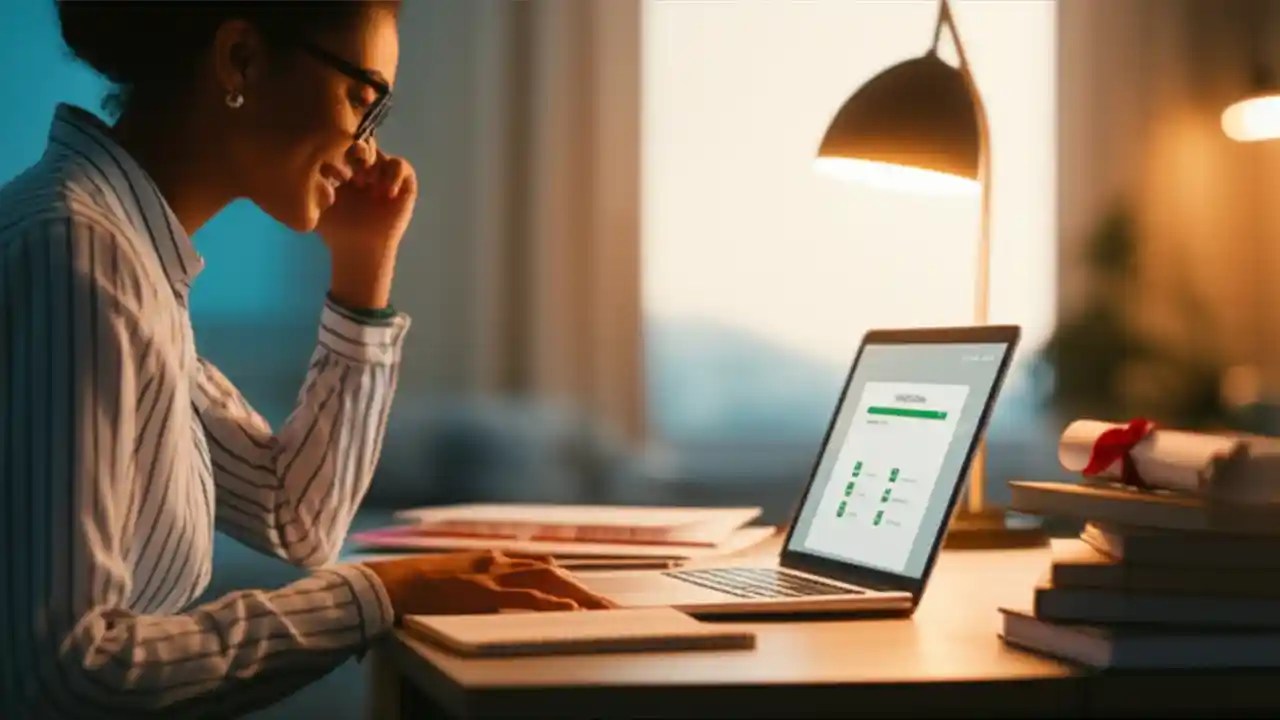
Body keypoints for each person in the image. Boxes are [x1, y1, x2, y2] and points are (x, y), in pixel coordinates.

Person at [0, 2, 610, 717]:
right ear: (241, 61)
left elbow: (299, 516)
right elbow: (70, 672)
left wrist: (362, 270)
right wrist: (380, 593)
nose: (367, 150)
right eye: (362, 100)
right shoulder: (82, 254)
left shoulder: (124, 260)